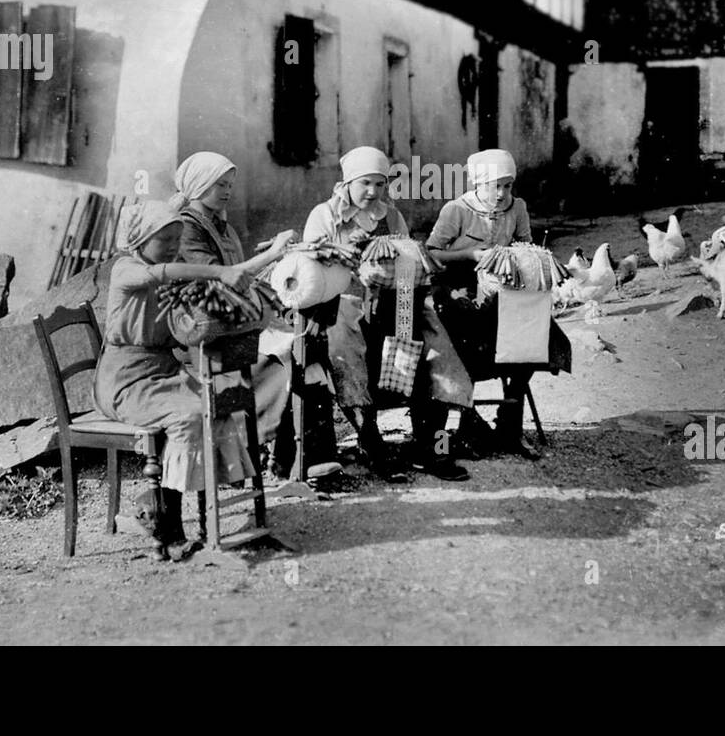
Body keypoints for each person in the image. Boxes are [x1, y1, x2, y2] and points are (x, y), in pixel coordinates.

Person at [303, 146, 472, 482]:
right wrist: (354, 271)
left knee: (438, 354)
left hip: (398, 301)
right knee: (348, 353)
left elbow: (408, 260)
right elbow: (312, 268)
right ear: (348, 181)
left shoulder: (391, 216)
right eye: (365, 183)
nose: (373, 192)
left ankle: (433, 449)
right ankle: (372, 444)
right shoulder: (325, 215)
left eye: (380, 185)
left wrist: (397, 274)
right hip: (343, 302)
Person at [92, 200, 248, 561]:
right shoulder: (126, 269)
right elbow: (160, 272)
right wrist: (220, 274)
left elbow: (181, 329)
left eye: (178, 238)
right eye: (165, 239)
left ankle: (211, 529)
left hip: (163, 371)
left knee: (215, 404)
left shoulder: (168, 277)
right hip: (125, 382)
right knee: (189, 415)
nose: (174, 245)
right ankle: (171, 526)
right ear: (141, 240)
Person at [426, 149, 571, 459]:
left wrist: (530, 260)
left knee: (535, 336)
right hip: (458, 285)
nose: (503, 193)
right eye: (496, 186)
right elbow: (431, 254)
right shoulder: (457, 210)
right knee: (468, 342)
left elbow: (525, 244)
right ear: (479, 183)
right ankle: (468, 421)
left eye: (508, 185)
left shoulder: (517, 207)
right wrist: (470, 255)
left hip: (503, 285)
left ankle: (509, 423)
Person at [168, 152, 306, 477]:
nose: (227, 191)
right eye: (220, 184)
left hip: (227, 322)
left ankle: (281, 454)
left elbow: (238, 281)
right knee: (284, 356)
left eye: (230, 184)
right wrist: (273, 254)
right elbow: (221, 277)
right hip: (198, 332)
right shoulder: (187, 227)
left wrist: (270, 261)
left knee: (298, 347)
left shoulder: (222, 226)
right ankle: (253, 450)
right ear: (199, 184)